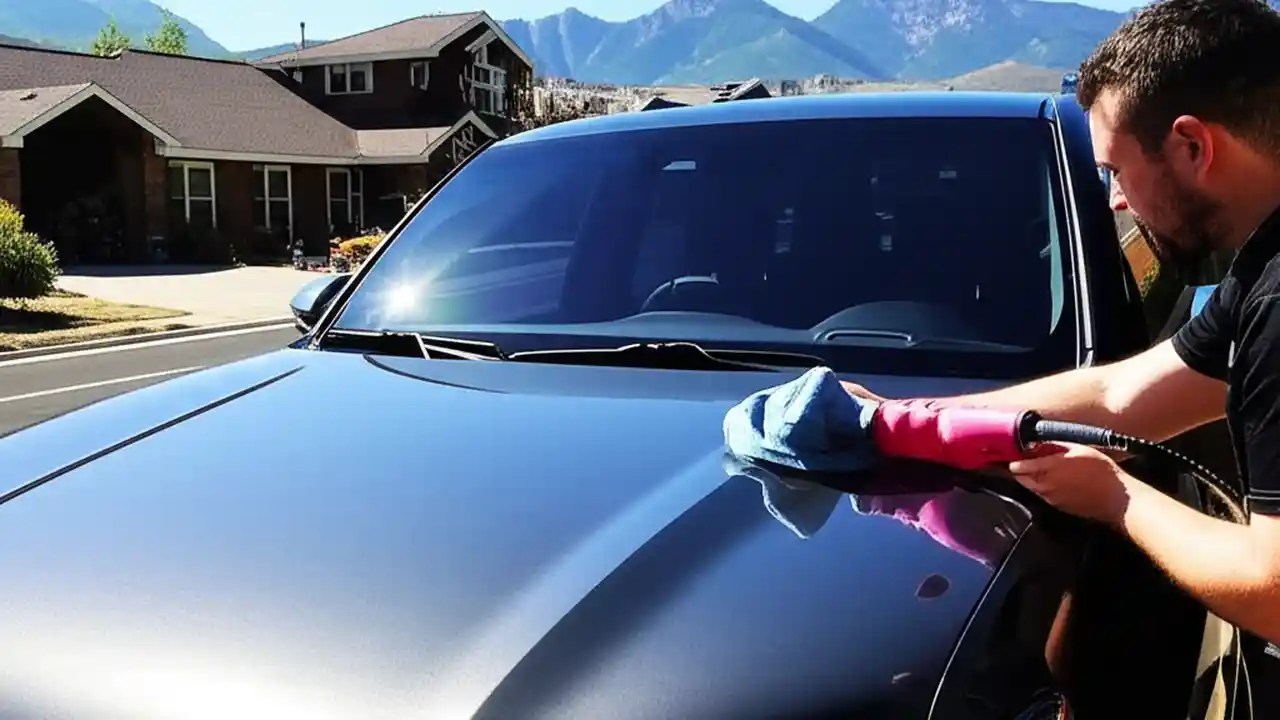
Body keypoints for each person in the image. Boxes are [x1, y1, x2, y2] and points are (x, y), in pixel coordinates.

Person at [843, 0, 1280, 705]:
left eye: (1115, 170)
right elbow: (1122, 397)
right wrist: (901, 421)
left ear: (1193, 148)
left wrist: (1114, 496)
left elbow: (1273, 591)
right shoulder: (1260, 272)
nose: (1113, 201)